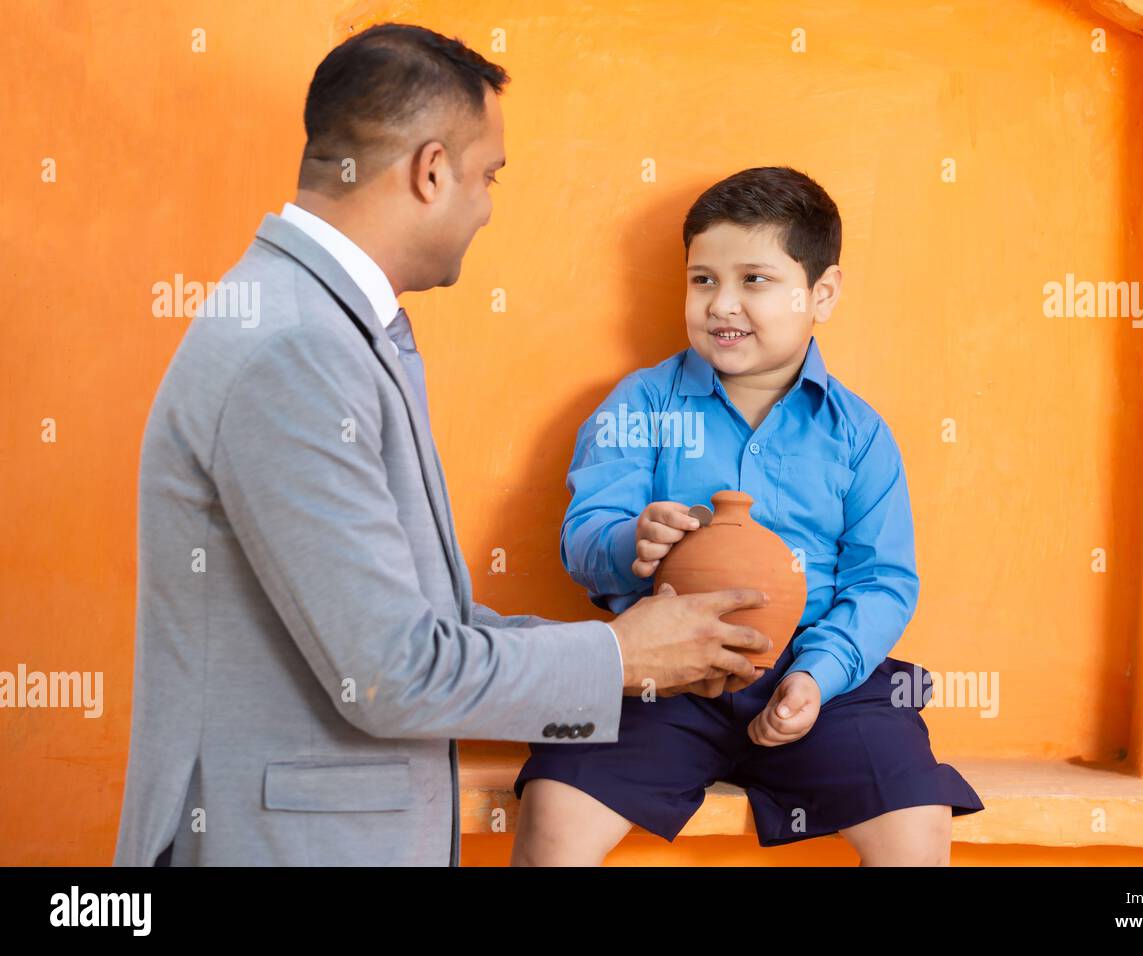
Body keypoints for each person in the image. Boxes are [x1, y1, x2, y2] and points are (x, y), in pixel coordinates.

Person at [113, 23, 771, 867]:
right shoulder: (297, 350)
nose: (490, 204)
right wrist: (620, 654)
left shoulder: (331, 325)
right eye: (488, 175)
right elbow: (395, 673)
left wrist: (652, 653)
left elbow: (423, 628)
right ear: (431, 171)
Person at [512, 167, 985, 866]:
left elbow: (882, 581)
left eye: (754, 280)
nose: (721, 303)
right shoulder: (640, 405)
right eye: (702, 279)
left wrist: (819, 675)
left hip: (820, 679)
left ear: (821, 293)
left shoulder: (858, 434)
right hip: (661, 674)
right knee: (555, 809)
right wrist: (629, 542)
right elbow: (584, 536)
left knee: (916, 818)